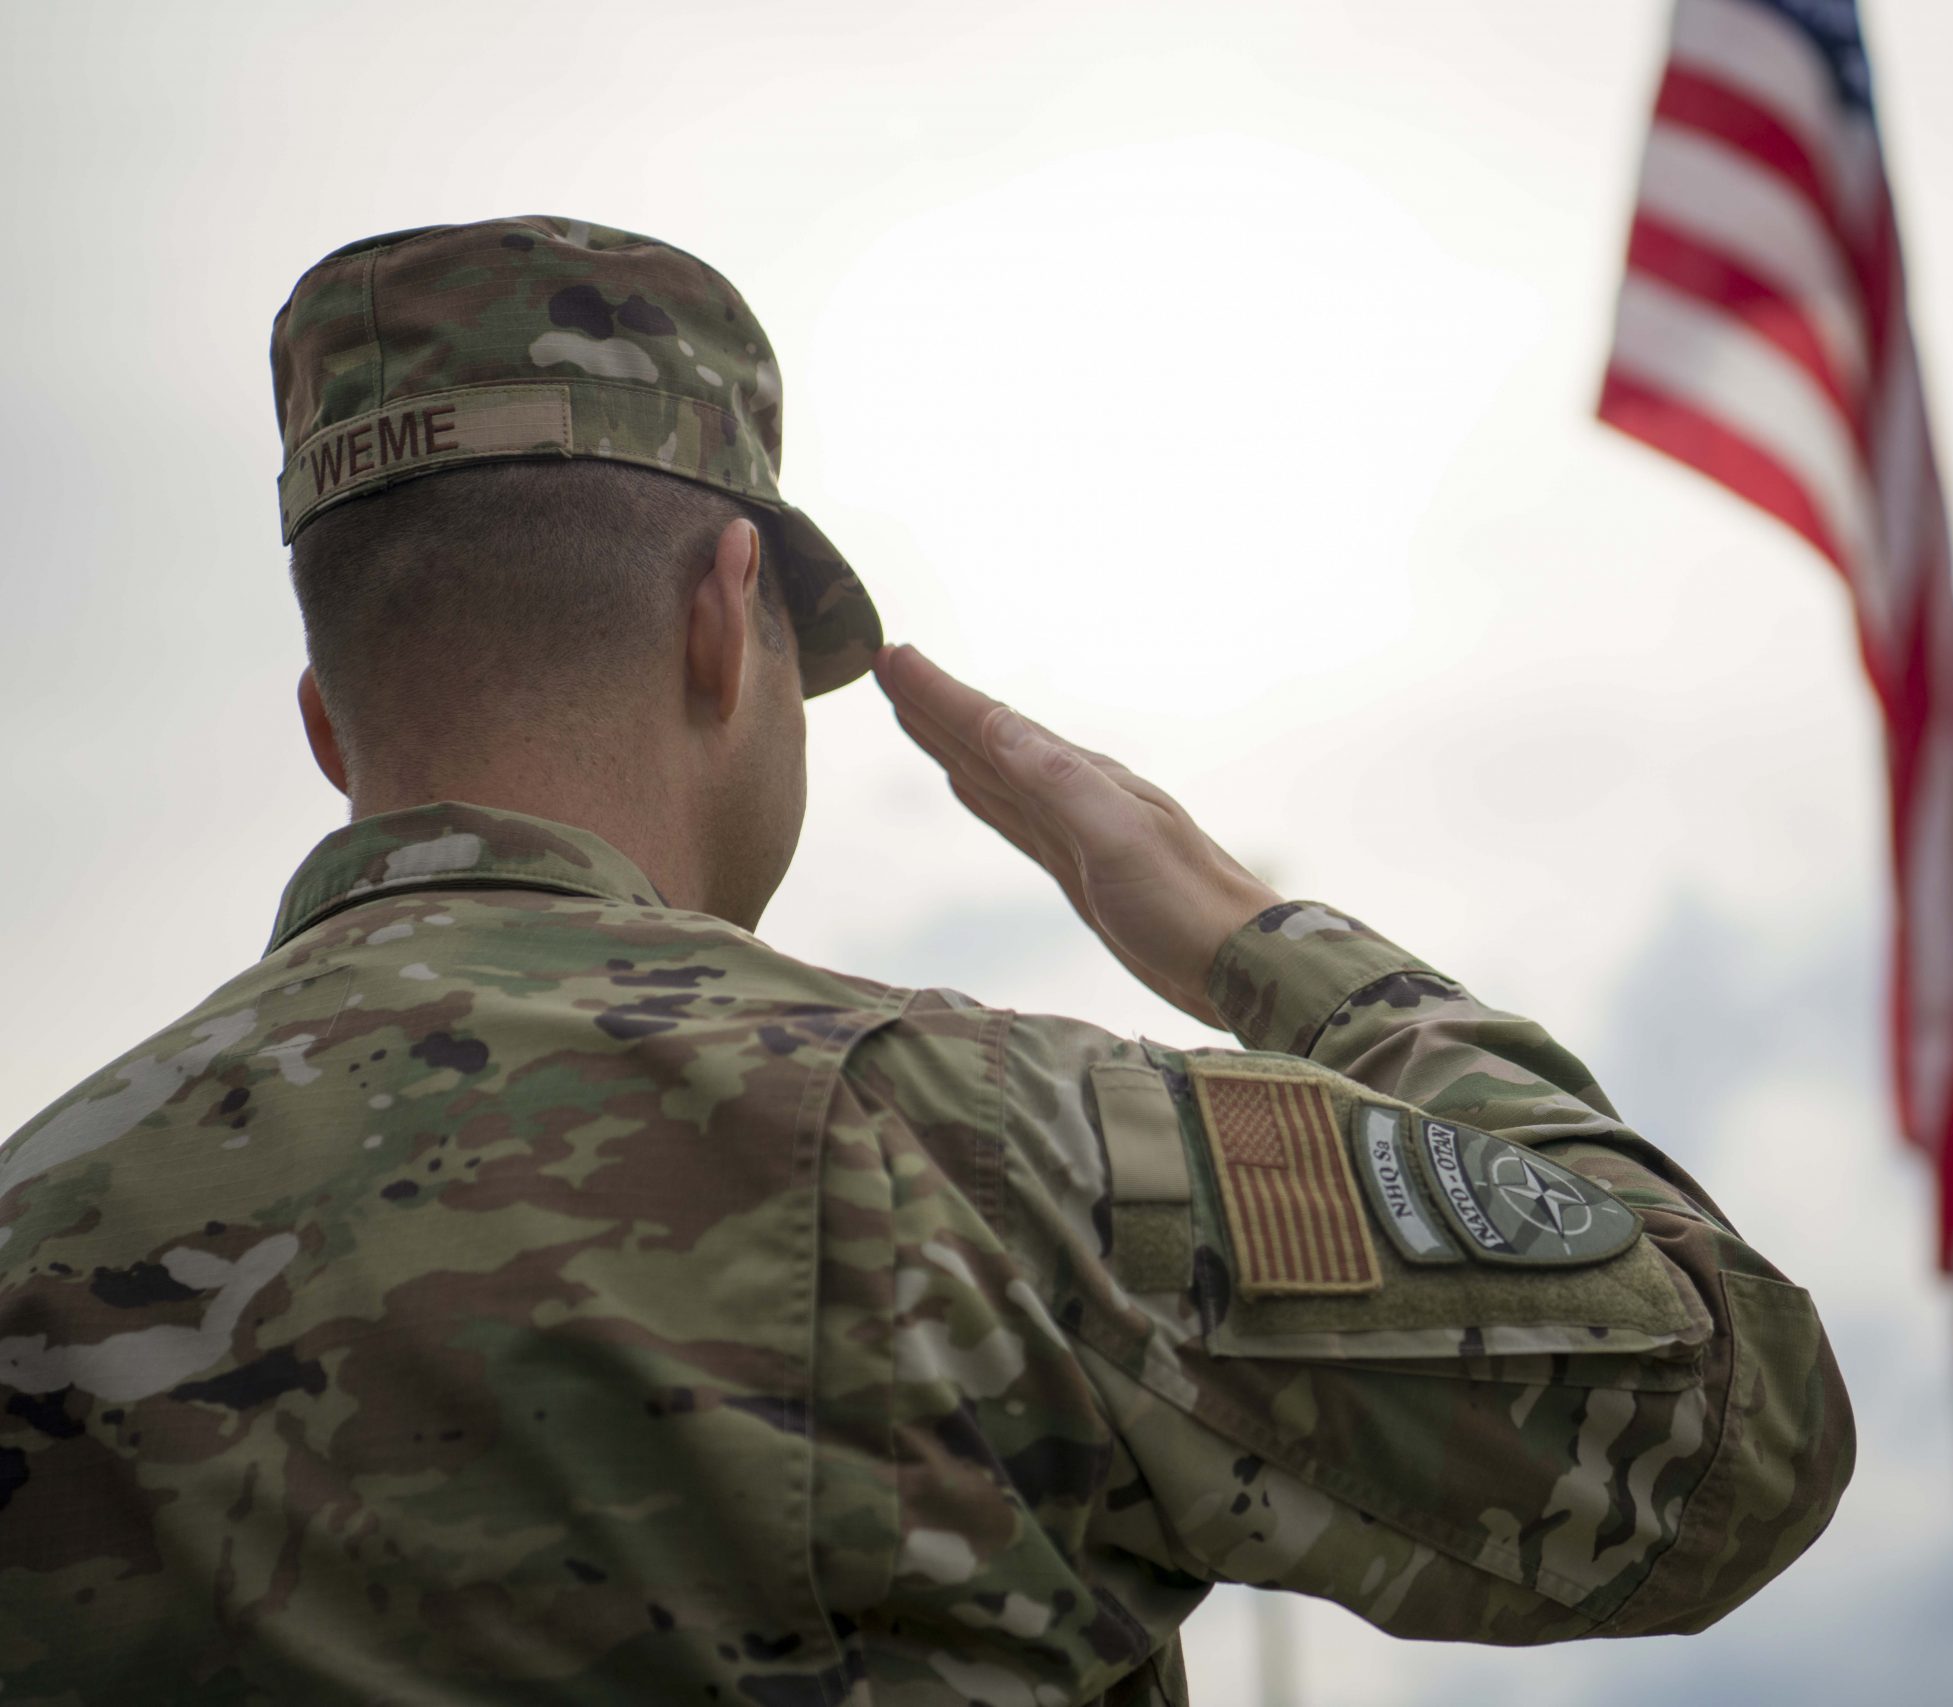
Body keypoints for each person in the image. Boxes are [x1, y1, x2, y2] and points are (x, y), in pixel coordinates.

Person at [0, 216, 1853, 1705]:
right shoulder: (955, 1137)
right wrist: (1255, 942)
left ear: (328, 720)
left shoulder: (35, 1227)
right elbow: (1730, 1412)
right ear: (726, 617)